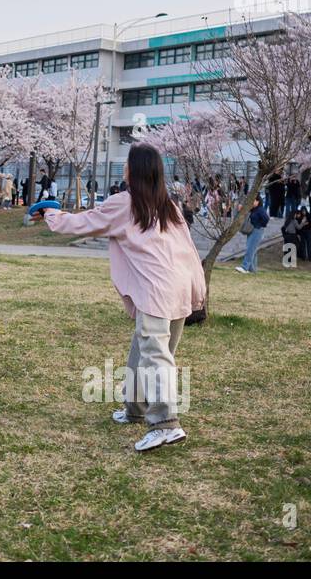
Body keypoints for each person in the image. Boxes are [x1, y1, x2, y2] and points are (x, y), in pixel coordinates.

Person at [35, 143, 206, 452]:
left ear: (135, 170)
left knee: (155, 356)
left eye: (127, 164)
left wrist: (52, 214)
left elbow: (83, 222)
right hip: (179, 286)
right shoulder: (169, 205)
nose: (124, 169)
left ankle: (166, 424)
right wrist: (198, 290)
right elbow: (190, 251)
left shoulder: (124, 203)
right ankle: (135, 410)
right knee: (144, 351)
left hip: (156, 289)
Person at [235, 197, 270, 274]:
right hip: (252, 231)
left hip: (257, 231)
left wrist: (259, 225)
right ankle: (252, 269)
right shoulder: (254, 209)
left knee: (250, 249)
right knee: (253, 250)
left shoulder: (260, 209)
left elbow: (266, 219)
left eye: (253, 200)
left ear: (258, 202)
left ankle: (245, 267)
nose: (251, 202)